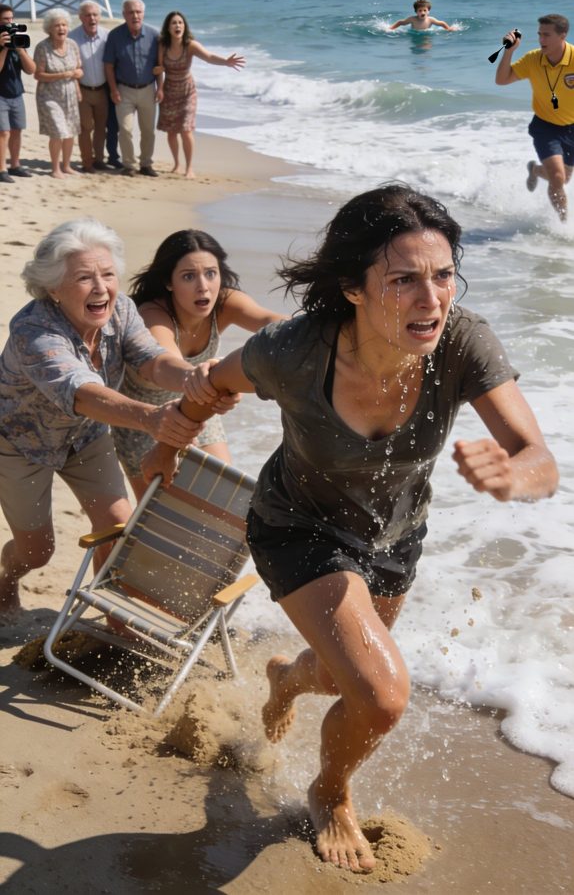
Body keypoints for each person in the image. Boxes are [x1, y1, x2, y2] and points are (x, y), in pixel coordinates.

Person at [143, 184, 558, 873]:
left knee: (344, 683)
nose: (432, 299)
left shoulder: (462, 342)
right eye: (404, 280)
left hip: (394, 536)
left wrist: (516, 474)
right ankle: (331, 791)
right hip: (296, 525)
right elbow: (210, 385)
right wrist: (167, 445)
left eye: (443, 275)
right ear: (353, 289)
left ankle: (287, 679)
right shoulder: (295, 350)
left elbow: (538, 456)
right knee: (383, 696)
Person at [0, 219, 208, 616]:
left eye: (108, 275)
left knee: (117, 529)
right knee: (37, 552)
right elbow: (82, 392)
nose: (101, 288)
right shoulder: (33, 332)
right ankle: (6, 577)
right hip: (20, 443)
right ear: (53, 288)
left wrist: (193, 377)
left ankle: (110, 619)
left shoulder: (121, 309)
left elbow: (152, 361)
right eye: (84, 278)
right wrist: (152, 418)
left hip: (86, 438)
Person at [113, 229, 282, 500]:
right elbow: (165, 362)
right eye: (188, 276)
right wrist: (211, 381)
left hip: (199, 410)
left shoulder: (226, 302)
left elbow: (273, 324)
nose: (203, 286)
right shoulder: (152, 314)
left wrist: (323, 330)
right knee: (164, 515)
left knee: (226, 501)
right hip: (149, 423)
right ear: (168, 282)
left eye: (211, 273)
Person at [495, 14, 574, 222]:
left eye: (546, 35)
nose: (541, 40)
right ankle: (564, 225)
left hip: (572, 127)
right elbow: (501, 80)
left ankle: (536, 170)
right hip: (545, 126)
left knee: (563, 179)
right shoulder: (533, 59)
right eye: (540, 34)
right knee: (557, 177)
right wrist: (509, 51)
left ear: (563, 35)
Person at [155, 11, 245, 179]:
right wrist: (159, 88)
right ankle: (176, 164)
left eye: (180, 23)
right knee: (171, 131)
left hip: (187, 91)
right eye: (174, 23)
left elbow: (209, 57)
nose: (177, 26)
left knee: (186, 129)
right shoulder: (162, 46)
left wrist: (226, 62)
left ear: (184, 26)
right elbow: (159, 70)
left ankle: (189, 168)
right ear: (168, 28)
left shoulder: (190, 45)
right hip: (169, 90)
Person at [104, 0, 160, 178]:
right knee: (125, 129)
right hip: (124, 90)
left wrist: (160, 88)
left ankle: (146, 164)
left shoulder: (154, 35)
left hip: (148, 89)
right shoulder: (115, 36)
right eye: (131, 12)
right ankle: (129, 165)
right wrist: (113, 90)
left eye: (138, 12)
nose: (135, 16)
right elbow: (108, 65)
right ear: (124, 15)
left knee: (148, 131)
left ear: (143, 13)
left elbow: (159, 65)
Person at [33, 8, 83, 178]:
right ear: (49, 29)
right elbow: (38, 75)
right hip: (49, 96)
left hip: (70, 94)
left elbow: (78, 69)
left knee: (70, 131)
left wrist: (78, 77)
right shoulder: (42, 47)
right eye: (57, 25)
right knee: (58, 131)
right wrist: (63, 75)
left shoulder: (73, 45)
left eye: (64, 25)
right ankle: (55, 169)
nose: (61, 28)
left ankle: (67, 166)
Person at [69, 0, 110, 174]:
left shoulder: (108, 36)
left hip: (103, 90)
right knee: (85, 128)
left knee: (101, 127)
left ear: (99, 16)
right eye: (87, 15)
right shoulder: (72, 38)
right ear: (81, 18)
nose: (92, 18)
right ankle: (87, 163)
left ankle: (99, 160)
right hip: (82, 91)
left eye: (95, 15)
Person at [0, 4, 35, 183]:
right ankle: (1, 169)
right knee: (3, 132)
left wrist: (20, 50)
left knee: (16, 130)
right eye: (6, 19)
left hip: (16, 93)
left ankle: (15, 165)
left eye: (11, 19)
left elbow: (31, 69)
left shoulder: (18, 40)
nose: (10, 22)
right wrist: (4, 48)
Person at [389, 0, 456, 32]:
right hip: (414, 33)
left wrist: (448, 28)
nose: (422, 12)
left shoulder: (431, 20)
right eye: (420, 11)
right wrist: (391, 28)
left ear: (428, 11)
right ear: (416, 12)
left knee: (426, 46)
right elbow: (401, 22)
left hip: (426, 34)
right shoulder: (412, 19)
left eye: (425, 10)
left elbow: (441, 23)